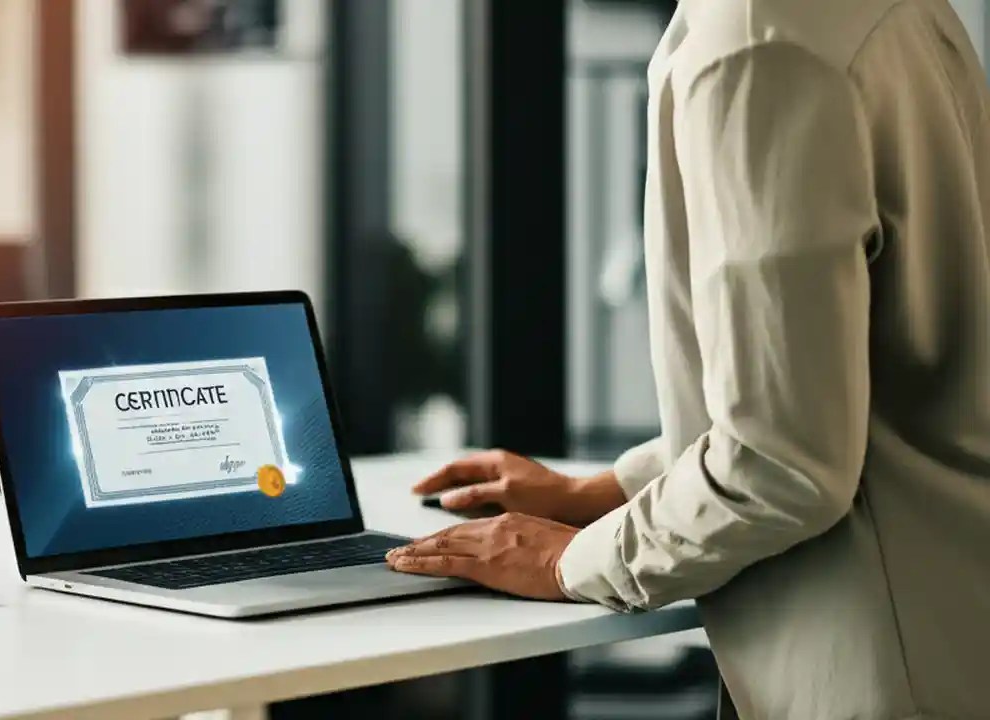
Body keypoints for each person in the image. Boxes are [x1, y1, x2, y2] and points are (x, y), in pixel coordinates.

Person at [386, 0, 990, 717]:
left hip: (876, 668)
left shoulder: (754, 44)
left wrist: (569, 560)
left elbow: (780, 462)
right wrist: (604, 492)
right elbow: (834, 373)